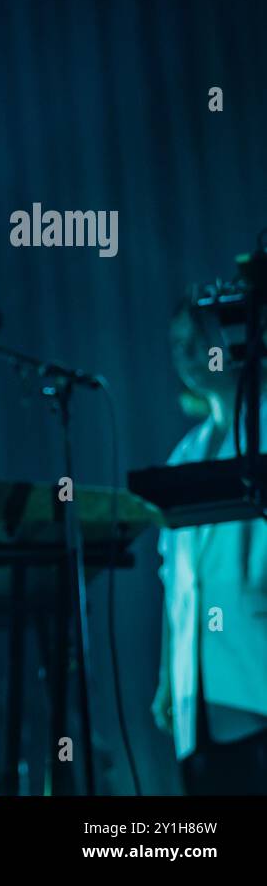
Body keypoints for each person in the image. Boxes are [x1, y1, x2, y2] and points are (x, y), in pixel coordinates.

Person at [152, 297, 267, 794]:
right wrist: (166, 677)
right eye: (179, 345)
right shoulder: (185, 454)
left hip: (255, 672)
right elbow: (174, 583)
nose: (189, 355)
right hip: (198, 688)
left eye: (200, 341)